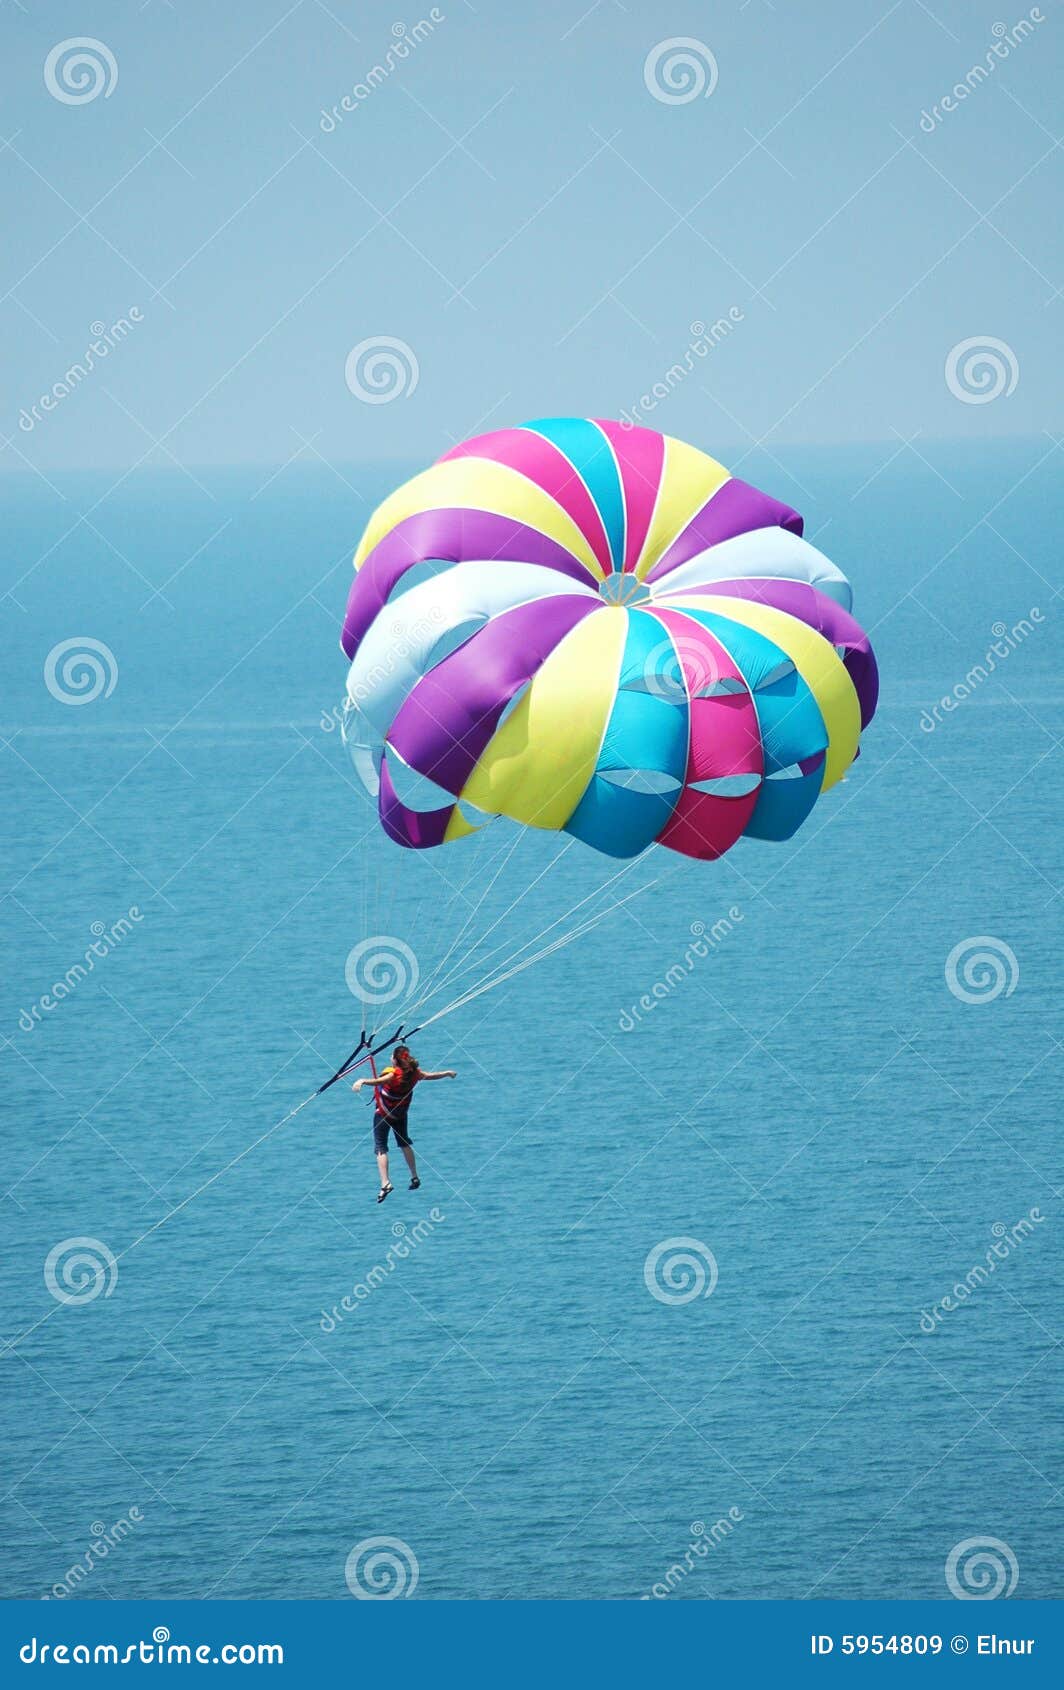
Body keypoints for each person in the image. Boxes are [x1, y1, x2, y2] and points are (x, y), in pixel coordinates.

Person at [353, 1045, 456, 1203]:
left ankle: (385, 1183)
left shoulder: (393, 1074)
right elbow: (431, 1076)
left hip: (383, 1113)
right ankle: (414, 1176)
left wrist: (362, 1081)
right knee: (404, 1143)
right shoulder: (415, 1073)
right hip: (400, 1114)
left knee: (380, 1147)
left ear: (395, 1059)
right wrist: (447, 1073)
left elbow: (377, 1081)